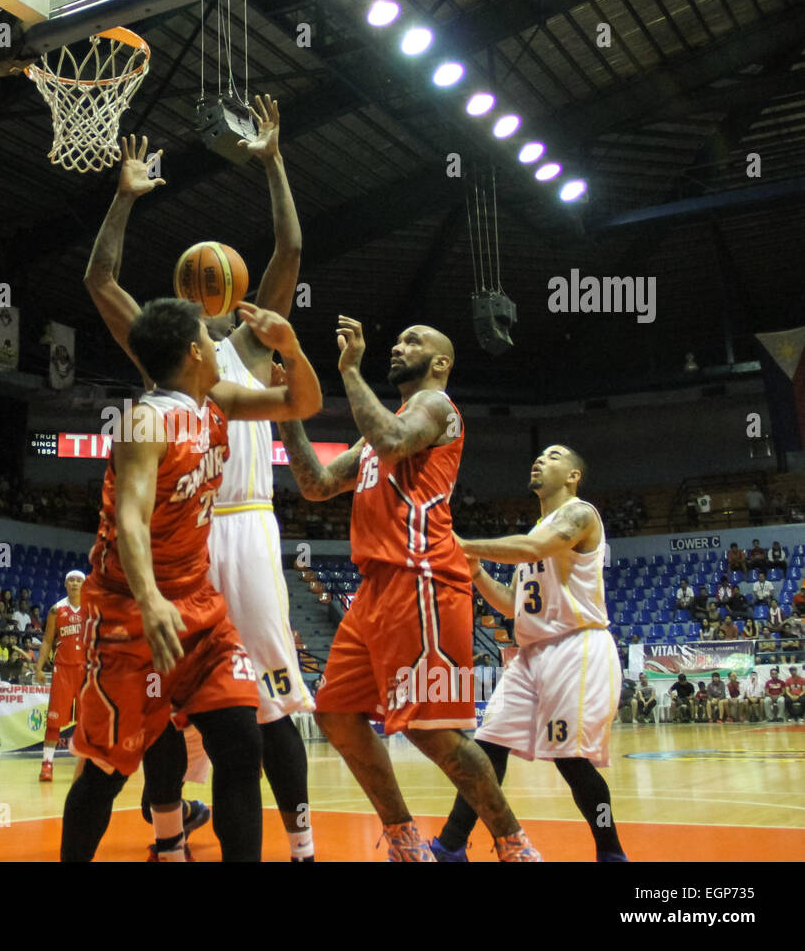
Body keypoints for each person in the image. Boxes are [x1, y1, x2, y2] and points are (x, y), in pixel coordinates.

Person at [87, 113, 319, 861]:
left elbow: (289, 248)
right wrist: (123, 197)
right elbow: (100, 281)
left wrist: (274, 162)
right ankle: (166, 838)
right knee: (163, 709)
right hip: (180, 540)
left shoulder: (246, 347)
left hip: (245, 526)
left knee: (270, 703)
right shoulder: (164, 361)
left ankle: (301, 842)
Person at [61, 294, 321, 864]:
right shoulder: (145, 421)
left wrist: (292, 347)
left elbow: (302, 400)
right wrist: (151, 598)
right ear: (193, 352)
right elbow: (129, 515)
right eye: (207, 336)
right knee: (107, 768)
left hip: (199, 606)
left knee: (240, 741)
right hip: (132, 613)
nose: (215, 342)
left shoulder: (215, 403)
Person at [277, 318, 539, 861]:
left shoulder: (439, 409)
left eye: (414, 341)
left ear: (441, 362)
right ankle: (404, 839)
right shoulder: (381, 428)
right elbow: (316, 484)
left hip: (422, 578)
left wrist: (349, 370)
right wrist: (285, 410)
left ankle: (513, 844)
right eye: (398, 340)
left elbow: (395, 440)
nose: (399, 346)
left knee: (432, 732)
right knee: (336, 714)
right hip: (375, 587)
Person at [432, 446, 625, 862]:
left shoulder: (580, 515)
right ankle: (448, 846)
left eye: (552, 457)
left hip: (576, 647)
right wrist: (477, 572)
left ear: (573, 475)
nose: (539, 460)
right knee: (486, 749)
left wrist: (466, 544)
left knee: (570, 760)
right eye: (537, 456)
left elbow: (534, 549)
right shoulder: (535, 531)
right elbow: (512, 606)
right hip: (530, 653)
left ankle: (611, 853)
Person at [34, 570, 86, 782]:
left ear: (84, 585)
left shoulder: (93, 609)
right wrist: (38, 668)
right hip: (62, 670)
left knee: (87, 722)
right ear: (65, 584)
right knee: (54, 721)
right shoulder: (57, 609)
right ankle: (47, 764)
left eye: (78, 580)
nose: (75, 583)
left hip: (86, 670)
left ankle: (85, 765)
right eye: (71, 580)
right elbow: (47, 641)